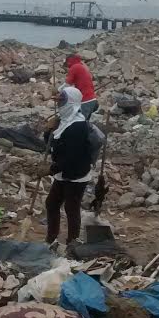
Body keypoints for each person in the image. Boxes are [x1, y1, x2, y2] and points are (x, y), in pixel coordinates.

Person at [43, 86, 104, 247]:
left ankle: (72, 242)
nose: (59, 105)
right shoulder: (63, 121)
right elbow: (50, 146)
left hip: (76, 173)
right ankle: (51, 239)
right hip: (63, 171)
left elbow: (71, 157)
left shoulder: (78, 126)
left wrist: (50, 169)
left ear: (71, 102)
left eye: (62, 101)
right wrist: (48, 130)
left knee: (71, 207)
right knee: (52, 203)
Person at [65, 53, 98, 118]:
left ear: (69, 61)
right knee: (86, 123)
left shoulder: (74, 67)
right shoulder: (82, 66)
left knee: (80, 122)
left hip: (85, 101)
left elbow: (67, 85)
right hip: (92, 99)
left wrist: (59, 91)